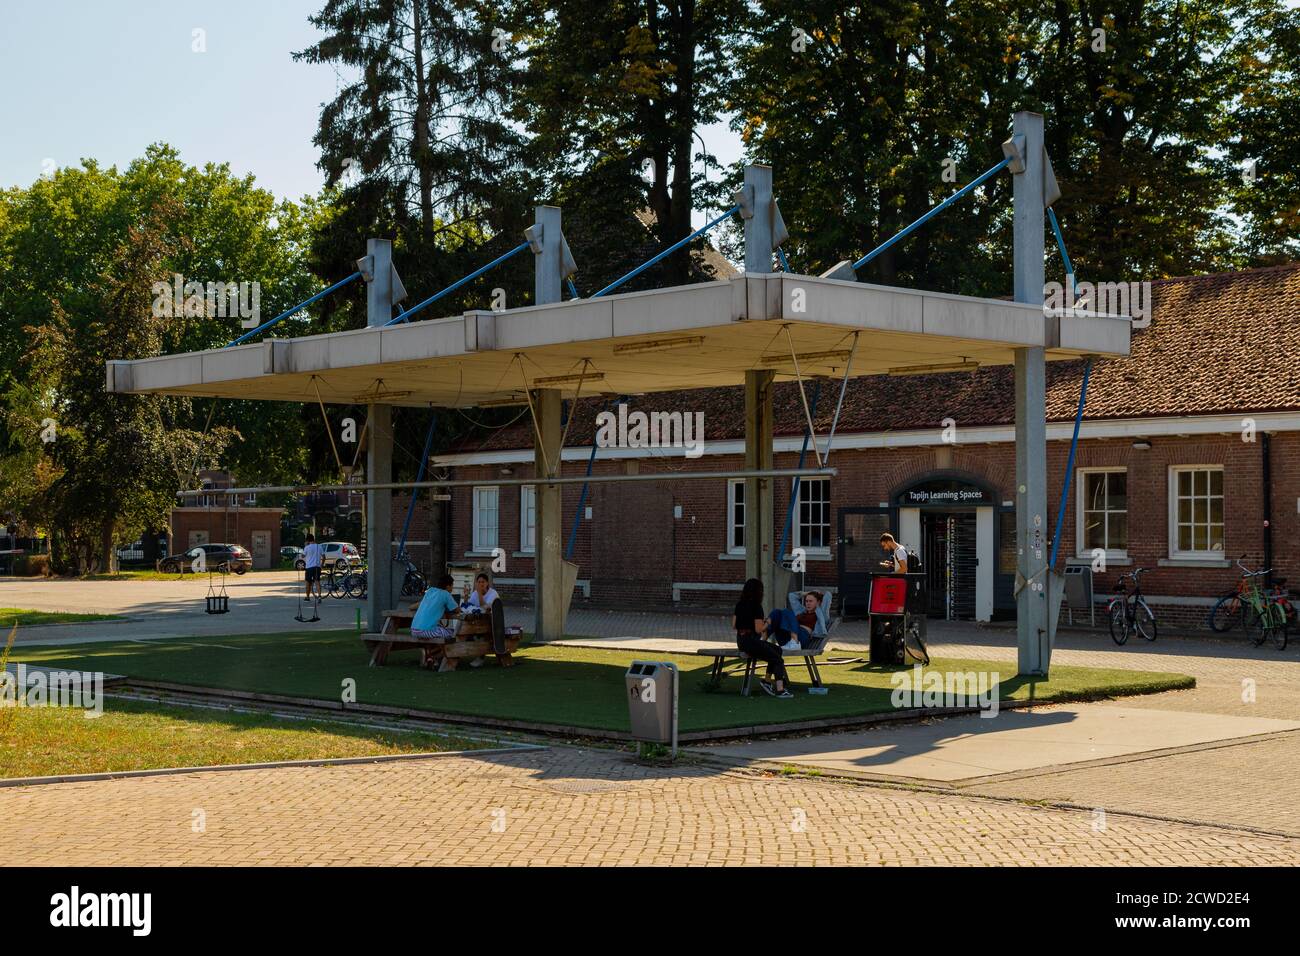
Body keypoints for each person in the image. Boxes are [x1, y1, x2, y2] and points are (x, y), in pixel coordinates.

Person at [733, 577, 793, 698]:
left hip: (741, 640)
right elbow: (758, 629)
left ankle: (766, 681)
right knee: (778, 660)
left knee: (777, 650)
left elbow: (733, 625)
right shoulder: (756, 607)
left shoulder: (739, 604)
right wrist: (768, 623)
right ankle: (780, 690)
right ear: (759, 592)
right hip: (751, 641)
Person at [411, 573, 462, 640]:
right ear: (447, 586)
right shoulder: (446, 594)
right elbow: (457, 610)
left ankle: (437, 649)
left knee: (444, 624)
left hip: (414, 629)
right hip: (425, 631)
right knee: (455, 627)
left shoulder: (430, 591)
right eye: (452, 585)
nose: (452, 588)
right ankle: (450, 647)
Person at [302, 534, 323, 601]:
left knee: (308, 582)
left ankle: (307, 597)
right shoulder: (319, 546)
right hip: (317, 567)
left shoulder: (307, 547)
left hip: (309, 568)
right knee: (317, 581)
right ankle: (319, 596)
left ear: (307, 540)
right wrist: (321, 564)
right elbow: (324, 557)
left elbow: (302, 556)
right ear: (314, 539)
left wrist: (305, 546)